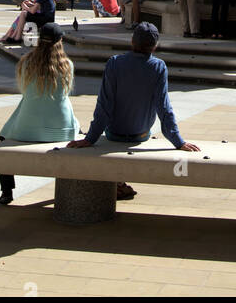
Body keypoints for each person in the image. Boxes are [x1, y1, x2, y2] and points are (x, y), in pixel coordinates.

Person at [68, 22, 199, 198]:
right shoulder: (158, 67)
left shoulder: (114, 63)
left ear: (132, 41)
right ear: (155, 46)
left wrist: (90, 139)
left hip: (115, 133)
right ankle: (119, 184)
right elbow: (164, 107)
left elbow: (104, 106)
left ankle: (118, 184)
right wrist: (178, 141)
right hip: (140, 134)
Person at [0, 22, 79, 205]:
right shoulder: (68, 66)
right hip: (61, 129)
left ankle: (6, 191)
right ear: (60, 41)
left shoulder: (26, 63)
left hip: (27, 129)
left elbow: (26, 92)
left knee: (4, 137)